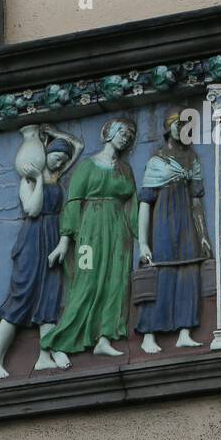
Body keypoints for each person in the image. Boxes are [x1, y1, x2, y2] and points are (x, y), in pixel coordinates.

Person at [0, 124, 83, 378]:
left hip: (52, 238)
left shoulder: (57, 177)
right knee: (22, 296)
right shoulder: (27, 181)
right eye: (56, 157)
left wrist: (53, 132)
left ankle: (44, 356)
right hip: (32, 240)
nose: (60, 162)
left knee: (50, 296)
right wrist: (38, 178)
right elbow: (32, 210)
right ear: (44, 155)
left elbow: (79, 146)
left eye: (63, 160)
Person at [40, 118, 139, 360]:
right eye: (122, 132)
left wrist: (143, 240)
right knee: (86, 279)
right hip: (89, 230)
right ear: (109, 133)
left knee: (117, 281)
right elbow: (73, 203)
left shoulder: (125, 170)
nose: (126, 138)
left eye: (130, 136)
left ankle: (104, 338)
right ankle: (62, 341)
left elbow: (134, 206)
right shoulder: (87, 166)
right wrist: (64, 241)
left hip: (119, 231)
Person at [136, 112, 211, 353]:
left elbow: (197, 201)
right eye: (180, 125)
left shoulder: (192, 158)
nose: (184, 129)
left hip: (187, 223)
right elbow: (145, 202)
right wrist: (143, 243)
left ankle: (184, 332)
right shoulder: (157, 160)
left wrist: (203, 235)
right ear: (169, 128)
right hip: (163, 224)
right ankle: (149, 334)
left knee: (189, 273)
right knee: (161, 273)